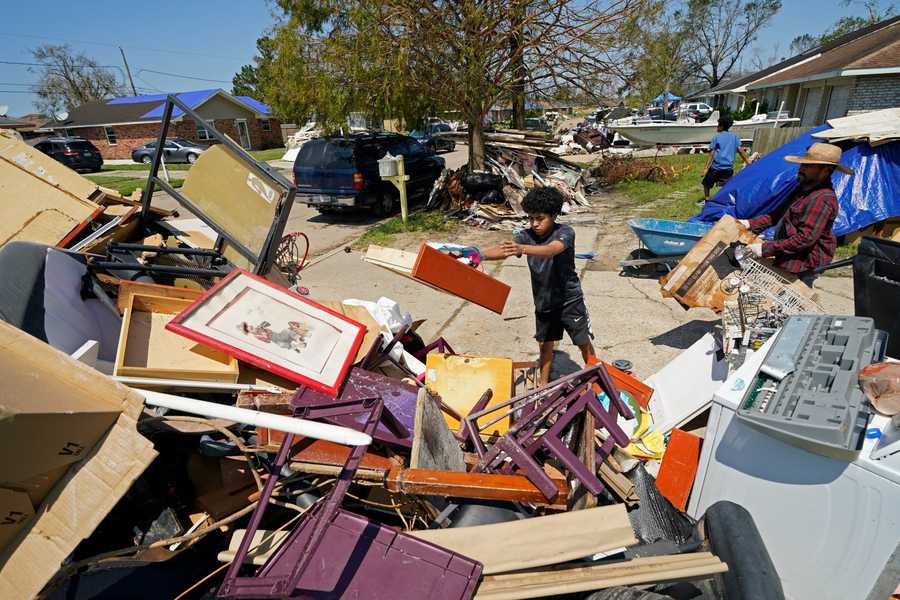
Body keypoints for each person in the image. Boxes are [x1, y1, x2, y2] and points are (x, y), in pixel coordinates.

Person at [483, 187, 595, 384]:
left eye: (540, 218)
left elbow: (552, 250)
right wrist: (476, 254)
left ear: (553, 215)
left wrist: (523, 248)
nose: (534, 224)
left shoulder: (565, 233)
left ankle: (596, 378)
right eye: (530, 218)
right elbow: (503, 250)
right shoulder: (526, 236)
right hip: (544, 301)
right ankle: (543, 385)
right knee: (545, 344)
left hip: (570, 299)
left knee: (582, 342)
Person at [737, 142, 853, 287]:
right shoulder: (802, 190)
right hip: (791, 255)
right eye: (802, 165)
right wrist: (747, 224)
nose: (801, 169)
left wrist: (764, 249)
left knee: (794, 299)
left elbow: (805, 239)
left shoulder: (822, 199)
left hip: (804, 262)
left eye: (808, 166)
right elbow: (776, 215)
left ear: (826, 170)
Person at [700, 115, 752, 203]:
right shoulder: (734, 137)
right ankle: (724, 201)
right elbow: (740, 150)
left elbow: (711, 153)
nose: (717, 127)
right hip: (728, 168)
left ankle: (707, 199)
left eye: (718, 125)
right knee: (726, 186)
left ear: (721, 126)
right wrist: (747, 161)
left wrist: (705, 168)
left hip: (716, 167)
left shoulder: (717, 137)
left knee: (706, 184)